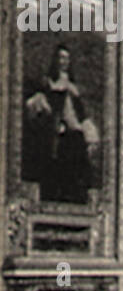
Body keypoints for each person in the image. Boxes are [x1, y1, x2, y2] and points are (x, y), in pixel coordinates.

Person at [24, 43, 99, 203]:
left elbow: (80, 112)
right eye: (60, 57)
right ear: (55, 60)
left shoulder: (71, 87)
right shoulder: (48, 83)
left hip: (73, 132)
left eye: (66, 58)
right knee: (54, 164)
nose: (63, 61)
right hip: (54, 131)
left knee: (75, 164)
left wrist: (87, 131)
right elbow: (44, 106)